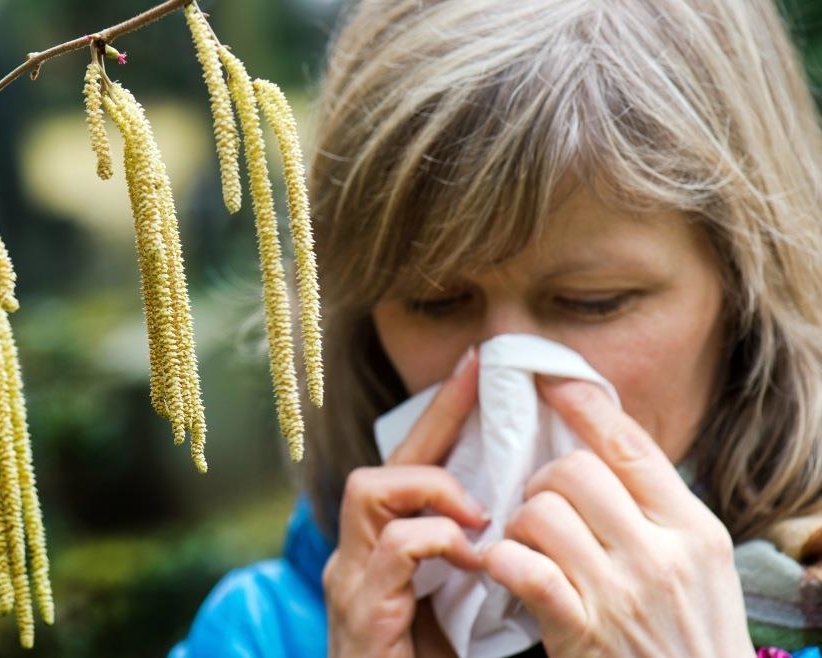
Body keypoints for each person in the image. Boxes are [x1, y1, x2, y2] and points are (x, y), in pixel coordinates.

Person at [170, 0, 822, 655]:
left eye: (594, 301)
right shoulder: (264, 633)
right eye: (433, 302)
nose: (502, 377)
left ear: (744, 288)